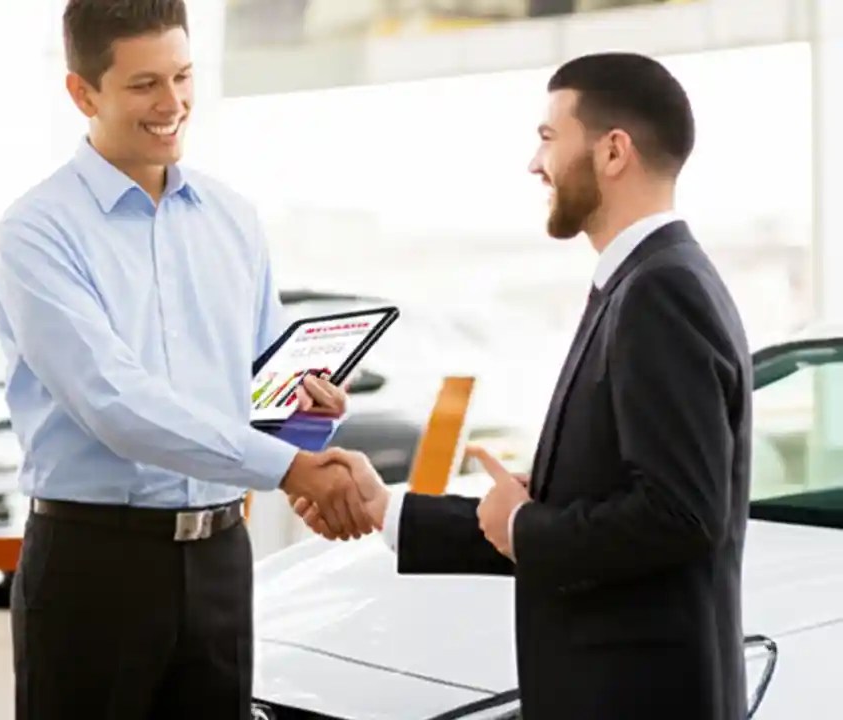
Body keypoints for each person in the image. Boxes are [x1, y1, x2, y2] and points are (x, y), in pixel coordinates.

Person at [296, 52, 752, 720]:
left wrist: (523, 524)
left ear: (613, 151)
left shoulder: (660, 292)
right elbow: (578, 516)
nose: (534, 164)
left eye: (547, 137)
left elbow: (679, 515)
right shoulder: (641, 284)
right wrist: (385, 508)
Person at [0, 1, 375, 717]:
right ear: (83, 93)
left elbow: (264, 384)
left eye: (184, 76)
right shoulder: (34, 234)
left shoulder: (233, 218)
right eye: (144, 85)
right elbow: (116, 404)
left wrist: (305, 421)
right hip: (94, 567)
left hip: (222, 560)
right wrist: (291, 469)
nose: (173, 104)